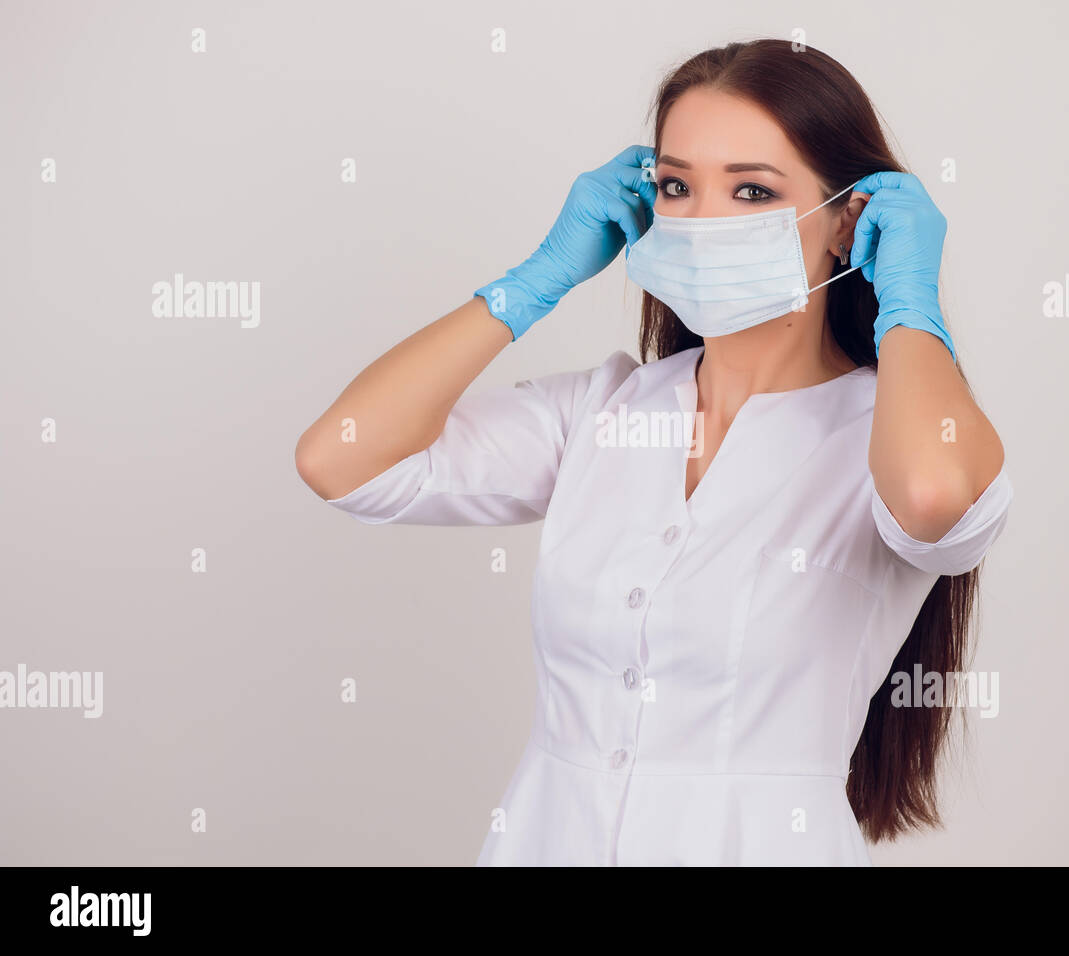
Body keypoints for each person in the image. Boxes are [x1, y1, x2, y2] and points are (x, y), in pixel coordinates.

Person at [295, 39, 1013, 866]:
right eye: (676, 185)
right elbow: (339, 459)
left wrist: (909, 301)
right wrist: (534, 281)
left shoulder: (888, 432)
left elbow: (933, 499)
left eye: (751, 191)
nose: (701, 221)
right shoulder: (599, 411)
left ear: (848, 224)